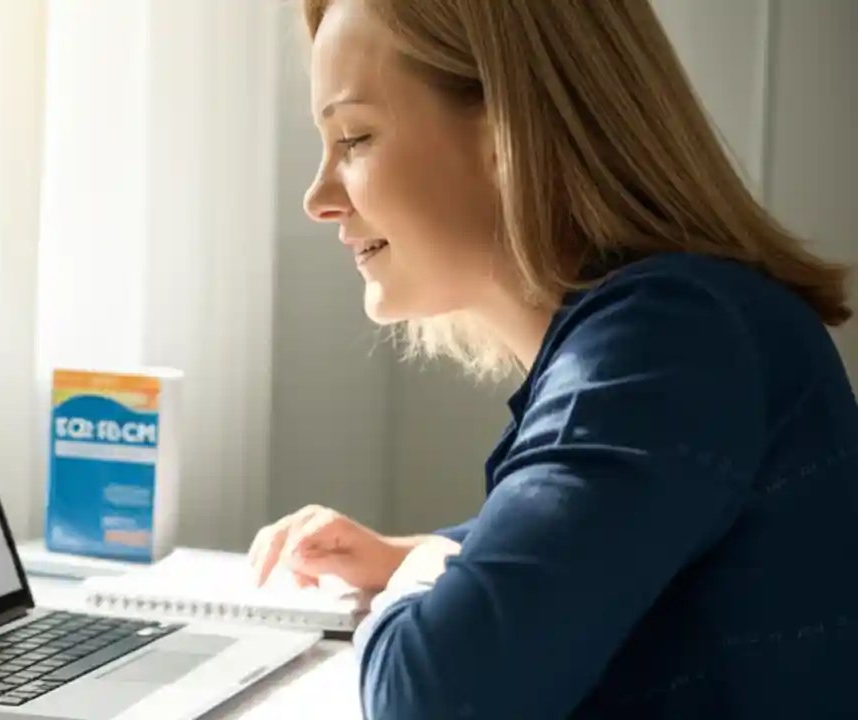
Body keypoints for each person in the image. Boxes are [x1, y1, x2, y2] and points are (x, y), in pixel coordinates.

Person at [246, 0, 858, 718]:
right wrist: (422, 552)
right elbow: (624, 539)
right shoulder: (685, 328)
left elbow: (435, 702)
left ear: (510, 128)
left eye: (354, 137)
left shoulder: (666, 344)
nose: (319, 199)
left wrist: (421, 572)